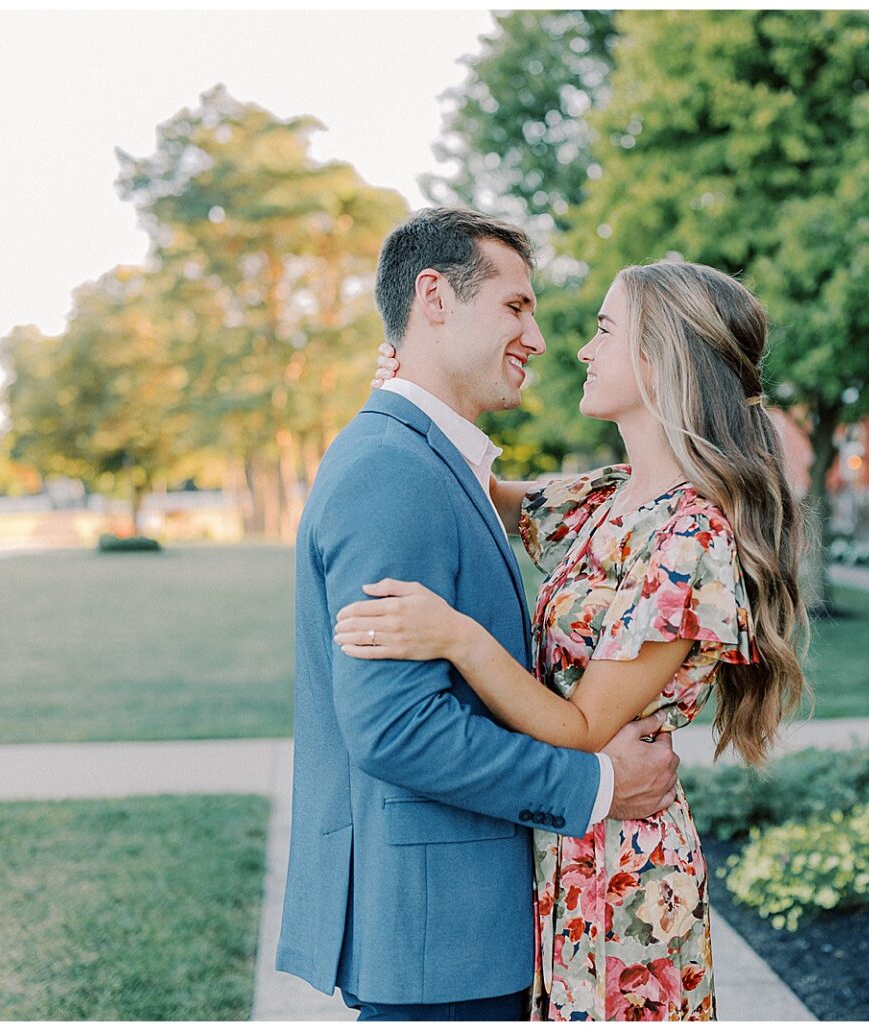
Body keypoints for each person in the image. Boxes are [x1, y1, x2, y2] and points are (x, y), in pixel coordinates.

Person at [337, 259, 809, 1020]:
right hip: (569, 846)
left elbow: (586, 726)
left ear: (661, 358)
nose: (581, 350)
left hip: (627, 871)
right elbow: (461, 479)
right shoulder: (605, 497)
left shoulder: (690, 535)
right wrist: (410, 387)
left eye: (603, 330)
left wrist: (457, 637)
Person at [276, 207, 681, 1022]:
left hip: (453, 934)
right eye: (515, 306)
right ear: (435, 297)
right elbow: (397, 730)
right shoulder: (393, 471)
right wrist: (598, 784)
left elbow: (603, 506)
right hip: (439, 941)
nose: (536, 335)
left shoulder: (423, 455)